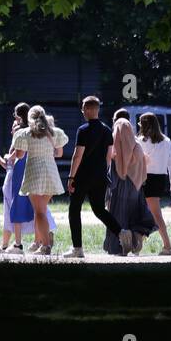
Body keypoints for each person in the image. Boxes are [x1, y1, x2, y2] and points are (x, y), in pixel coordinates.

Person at [0, 102, 56, 253]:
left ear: (19, 117)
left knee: (18, 206)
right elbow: (57, 152)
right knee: (38, 208)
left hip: (20, 171)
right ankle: (39, 240)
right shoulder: (42, 132)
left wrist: (2, 155)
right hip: (40, 170)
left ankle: (21, 243)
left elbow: (16, 157)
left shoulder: (22, 132)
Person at [63, 96, 124, 259]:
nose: (82, 111)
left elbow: (77, 155)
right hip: (100, 176)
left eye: (84, 108)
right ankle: (122, 232)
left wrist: (71, 177)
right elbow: (109, 155)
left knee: (74, 209)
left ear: (90, 110)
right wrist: (104, 172)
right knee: (99, 209)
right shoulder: (106, 130)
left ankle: (78, 248)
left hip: (83, 176)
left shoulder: (83, 130)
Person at [4, 105, 67, 255]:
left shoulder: (25, 133)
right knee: (42, 211)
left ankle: (45, 245)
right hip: (50, 172)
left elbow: (19, 155)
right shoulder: (54, 133)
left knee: (39, 212)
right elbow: (59, 153)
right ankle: (42, 243)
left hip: (33, 172)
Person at [103, 116, 156, 255]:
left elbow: (112, 176)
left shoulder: (116, 150)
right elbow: (144, 169)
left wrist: (107, 194)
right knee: (135, 216)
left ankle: (119, 247)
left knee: (118, 216)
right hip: (136, 189)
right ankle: (135, 241)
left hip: (120, 189)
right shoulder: (137, 147)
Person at [137, 112, 171, 255]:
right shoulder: (167, 141)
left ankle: (167, 246)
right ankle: (138, 245)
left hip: (145, 178)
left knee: (155, 214)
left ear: (144, 124)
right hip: (160, 179)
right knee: (147, 213)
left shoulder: (141, 141)